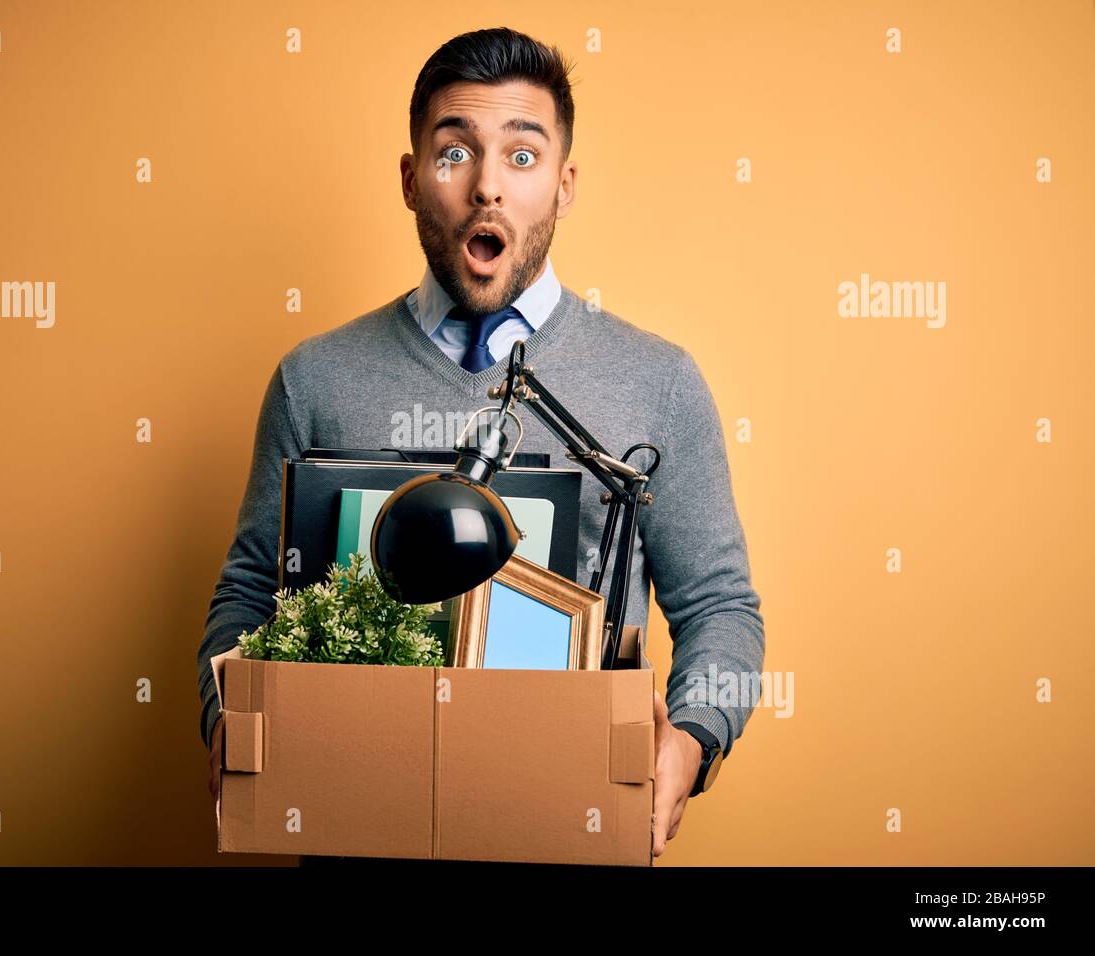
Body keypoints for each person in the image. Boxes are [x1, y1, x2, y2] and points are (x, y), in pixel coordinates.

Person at [199, 26, 765, 862]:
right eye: (455, 152)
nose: (488, 188)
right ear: (411, 179)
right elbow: (248, 595)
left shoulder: (658, 383)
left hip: (566, 834)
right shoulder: (312, 380)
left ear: (565, 187)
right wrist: (228, 727)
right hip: (356, 831)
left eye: (523, 157)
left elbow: (721, 610)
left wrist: (687, 743)